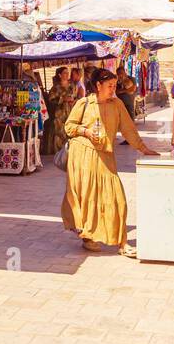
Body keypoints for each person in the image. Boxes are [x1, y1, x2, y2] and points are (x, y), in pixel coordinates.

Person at [60, 68, 158, 257]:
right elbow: (69, 126)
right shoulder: (84, 103)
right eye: (110, 85)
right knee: (88, 198)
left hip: (105, 156)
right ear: (98, 85)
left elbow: (129, 128)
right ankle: (88, 237)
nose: (114, 89)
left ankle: (122, 242)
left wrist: (143, 148)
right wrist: (86, 132)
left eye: (114, 85)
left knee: (117, 199)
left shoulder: (117, 104)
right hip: (83, 156)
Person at [43, 66, 74, 155]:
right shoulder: (56, 87)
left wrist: (73, 101)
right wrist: (62, 99)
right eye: (65, 73)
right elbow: (50, 100)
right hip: (59, 113)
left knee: (69, 131)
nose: (67, 74)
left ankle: (68, 150)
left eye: (68, 73)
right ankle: (59, 152)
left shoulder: (71, 86)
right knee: (60, 132)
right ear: (60, 75)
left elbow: (75, 96)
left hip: (70, 111)